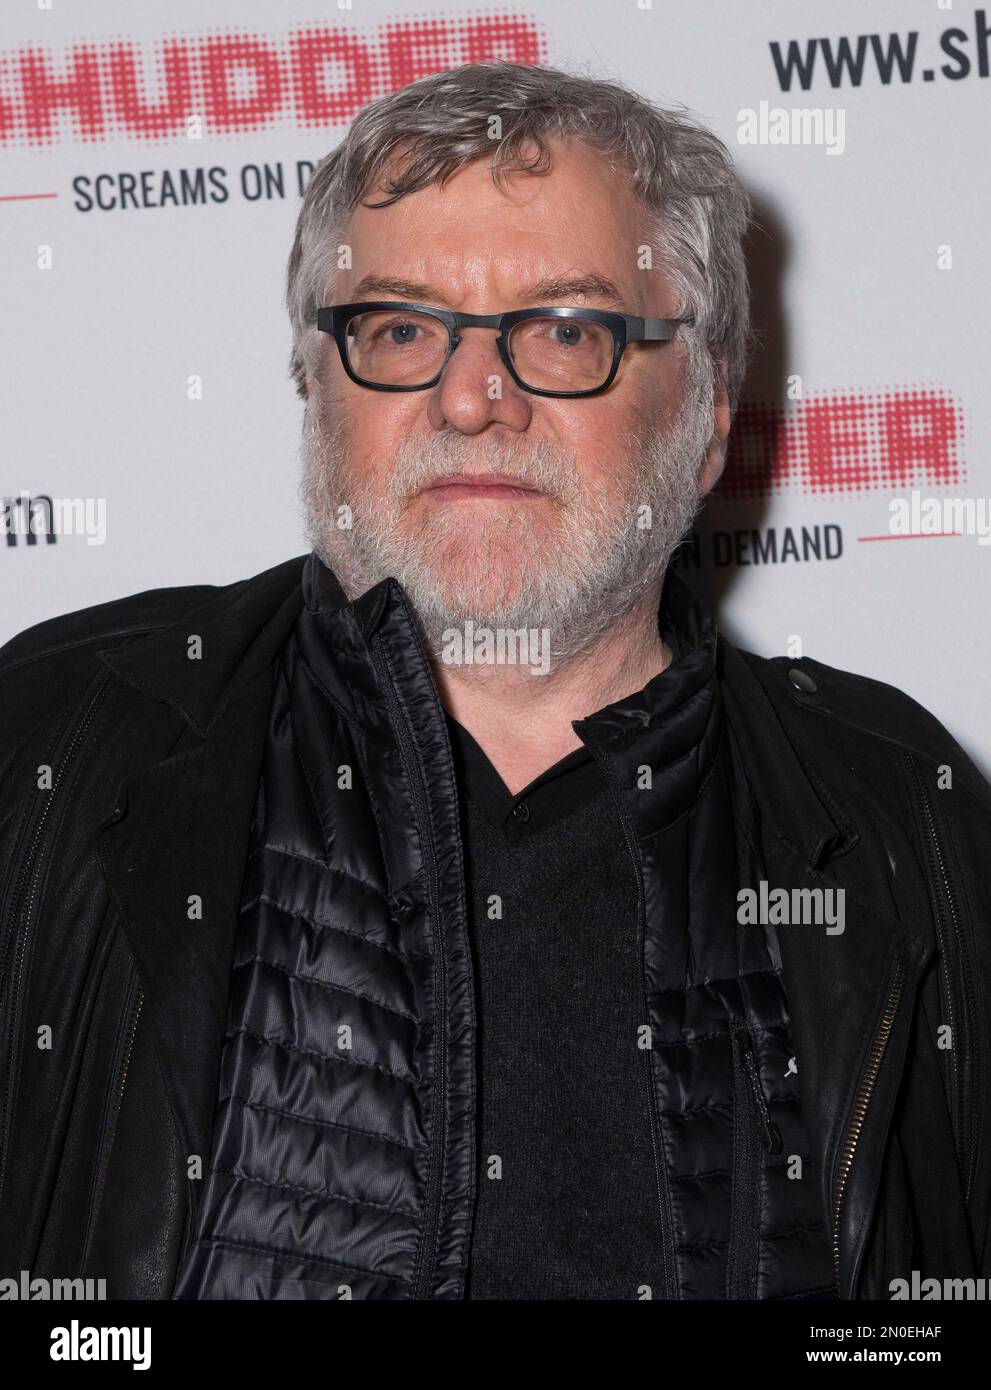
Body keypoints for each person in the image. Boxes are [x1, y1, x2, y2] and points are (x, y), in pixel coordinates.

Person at [0, 61, 988, 1302]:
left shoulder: (900, 814)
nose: (474, 399)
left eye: (567, 329)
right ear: (316, 387)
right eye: (403, 329)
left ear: (709, 418)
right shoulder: (54, 741)